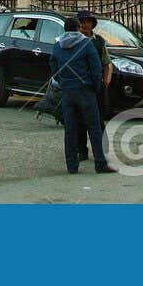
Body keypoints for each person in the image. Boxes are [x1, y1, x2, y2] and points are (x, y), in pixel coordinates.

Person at [50, 17, 114, 174]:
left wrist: (64, 82)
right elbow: (96, 68)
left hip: (68, 92)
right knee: (94, 128)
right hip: (85, 90)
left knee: (70, 129)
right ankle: (100, 163)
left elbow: (54, 68)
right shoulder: (86, 44)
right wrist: (95, 86)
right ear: (78, 28)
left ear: (64, 29)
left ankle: (72, 165)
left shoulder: (58, 46)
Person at [74, 9, 112, 161]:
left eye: (88, 21)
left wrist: (105, 81)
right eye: (82, 22)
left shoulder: (98, 41)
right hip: (79, 85)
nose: (85, 25)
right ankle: (81, 150)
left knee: (97, 120)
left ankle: (103, 150)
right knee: (79, 120)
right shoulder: (74, 40)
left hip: (95, 85)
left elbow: (107, 62)